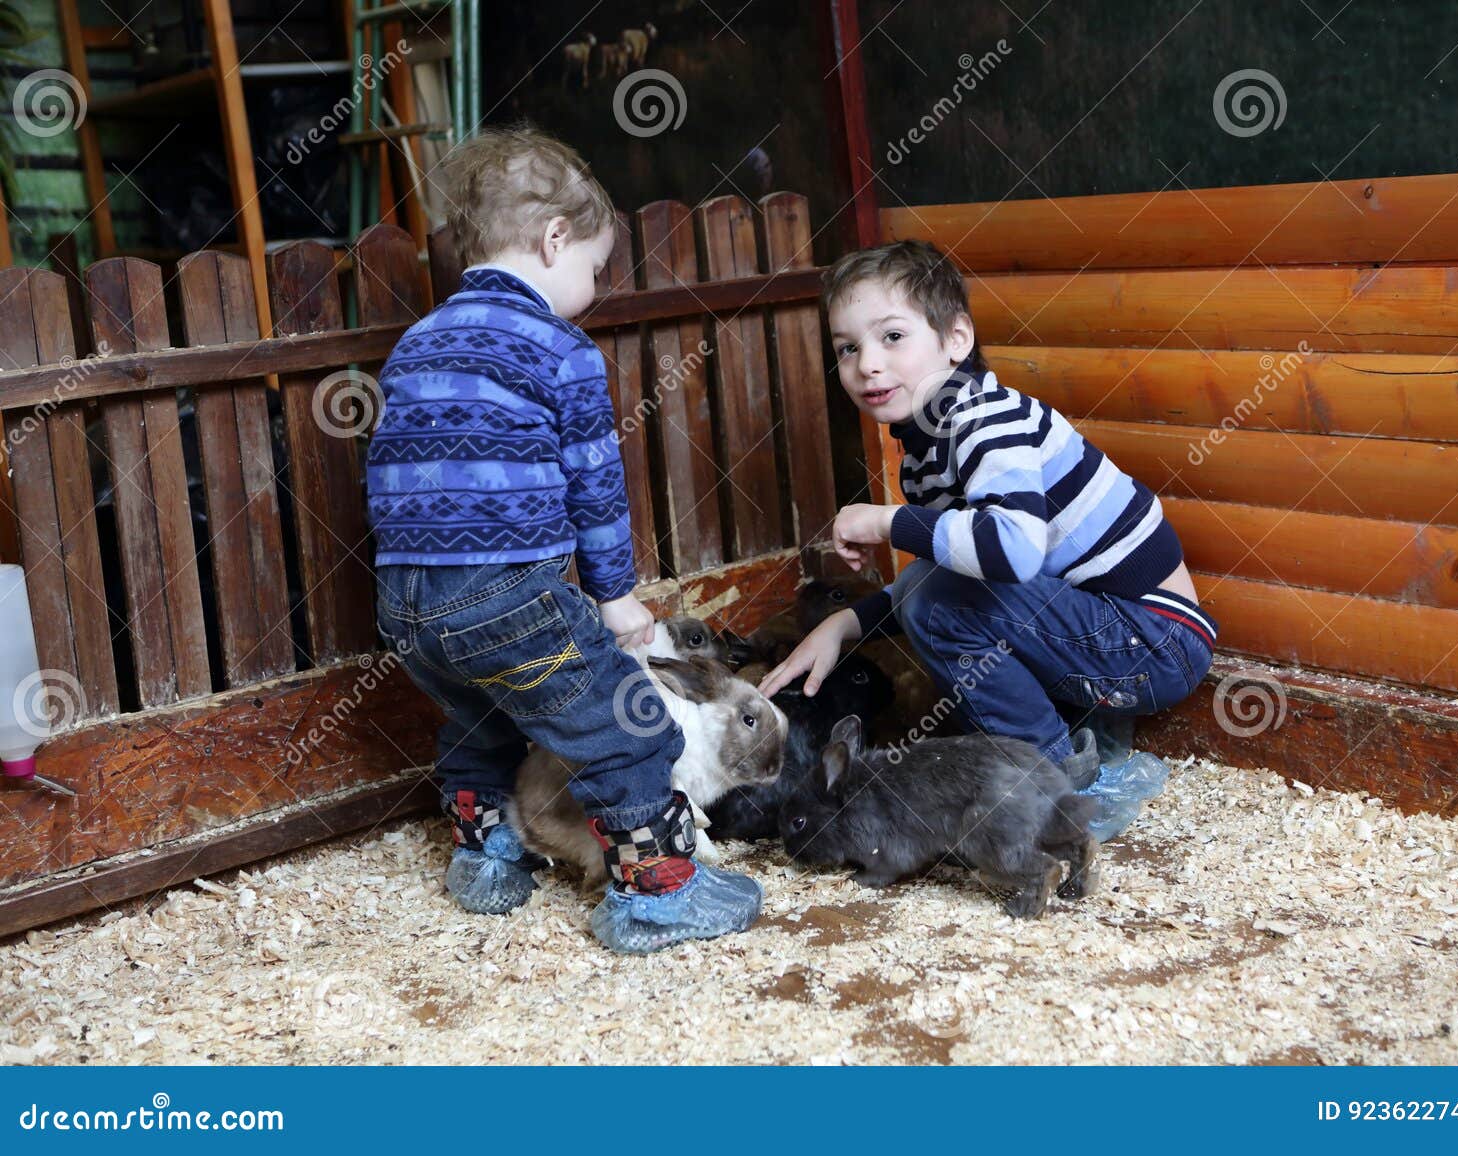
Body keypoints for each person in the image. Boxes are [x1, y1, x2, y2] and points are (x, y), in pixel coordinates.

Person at [365, 125, 760, 952]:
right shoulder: (559, 348)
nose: (594, 286)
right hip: (506, 590)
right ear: (554, 240)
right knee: (630, 725)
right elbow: (593, 484)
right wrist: (615, 598)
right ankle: (654, 897)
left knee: (481, 725)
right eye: (594, 266)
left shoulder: (415, 345)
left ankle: (486, 860)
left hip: (406, 602)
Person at [758, 240, 1217, 834]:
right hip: (1100, 634)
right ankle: (1069, 743)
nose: (867, 363)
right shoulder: (925, 450)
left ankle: (1054, 785)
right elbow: (946, 566)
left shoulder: (985, 418)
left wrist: (885, 520)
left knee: (939, 600)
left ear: (955, 340)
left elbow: (1012, 549)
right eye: (848, 347)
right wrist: (843, 625)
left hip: (1154, 642)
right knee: (935, 583)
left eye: (892, 337)